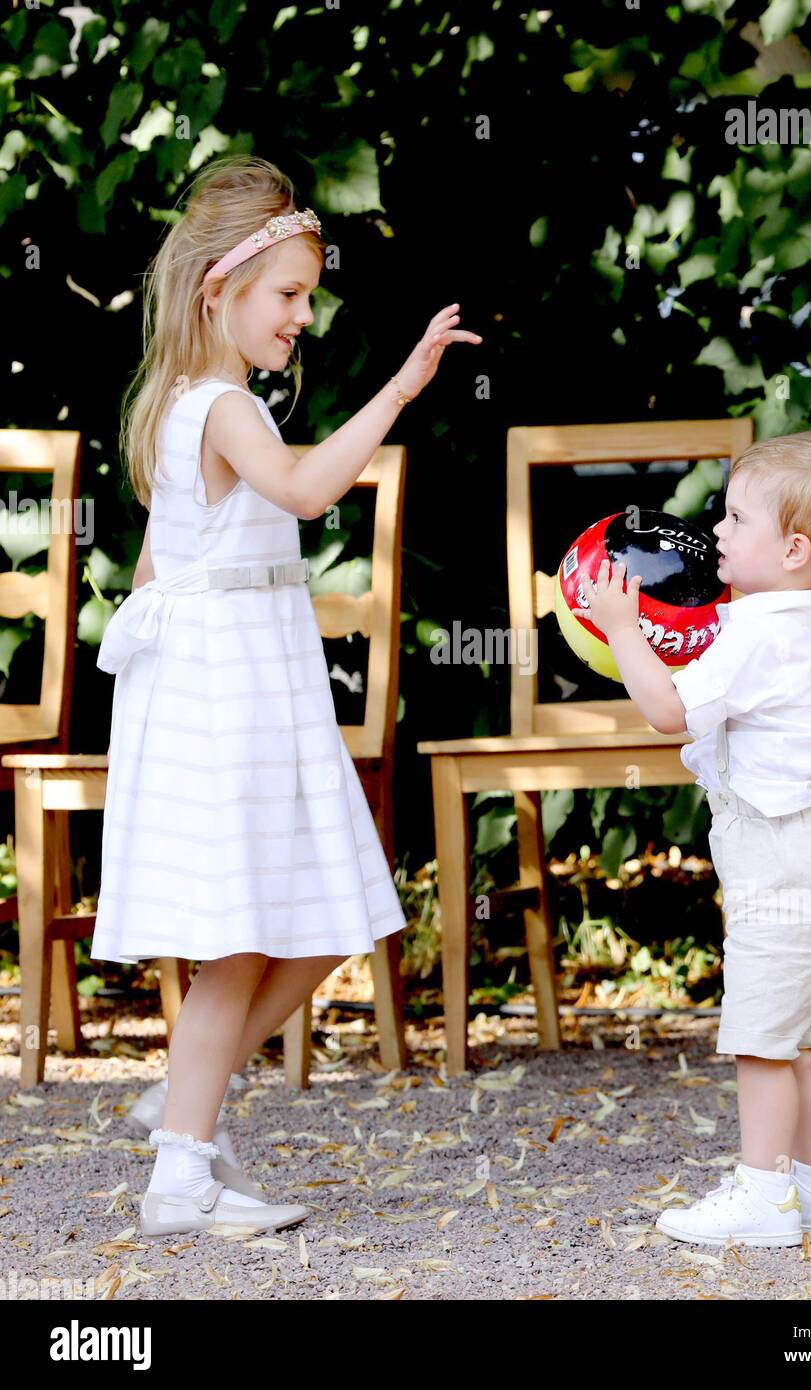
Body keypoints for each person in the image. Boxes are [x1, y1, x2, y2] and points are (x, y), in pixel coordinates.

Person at [90, 155, 482, 1239]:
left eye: (309, 296)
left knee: (322, 913)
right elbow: (308, 491)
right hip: (231, 700)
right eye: (289, 296)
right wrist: (402, 387)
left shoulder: (192, 402)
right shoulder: (217, 407)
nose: (303, 316)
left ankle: (188, 1100)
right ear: (219, 286)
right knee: (246, 932)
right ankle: (181, 1169)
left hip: (251, 685)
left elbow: (162, 564)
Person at [574, 431, 811, 1248]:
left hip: (785, 872)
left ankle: (761, 1196)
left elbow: (669, 712)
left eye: (735, 517)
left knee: (759, 1047)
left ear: (790, 548)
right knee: (797, 1040)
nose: (716, 531)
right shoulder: (803, 626)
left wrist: (621, 626)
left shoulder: (754, 633)